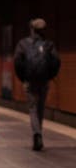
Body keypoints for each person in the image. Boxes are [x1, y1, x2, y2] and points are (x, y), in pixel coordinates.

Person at [13, 18, 60, 151]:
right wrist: (50, 76)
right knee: (40, 108)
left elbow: (17, 62)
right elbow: (56, 62)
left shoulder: (23, 44)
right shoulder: (48, 44)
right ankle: (39, 133)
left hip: (30, 81)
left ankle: (36, 133)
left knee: (33, 108)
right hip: (44, 80)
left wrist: (23, 78)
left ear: (32, 29)